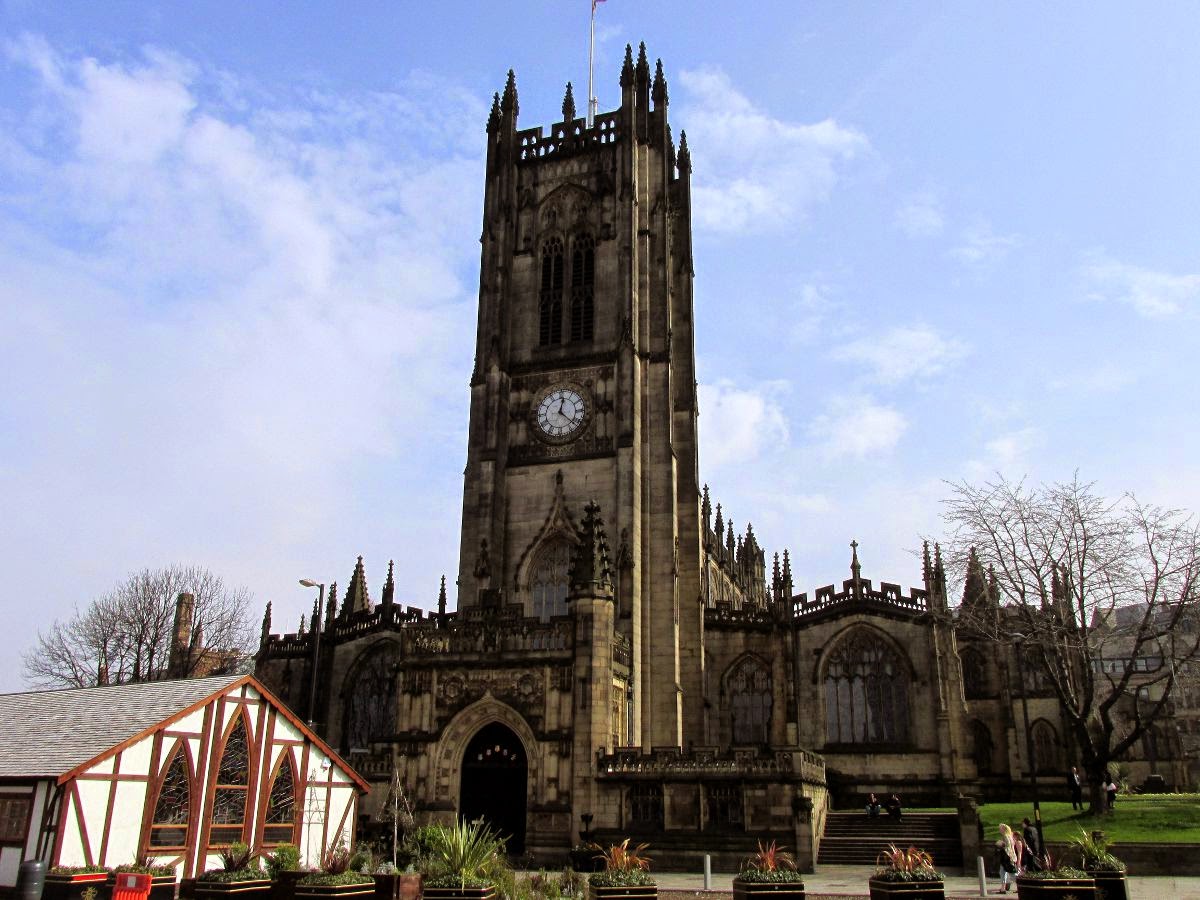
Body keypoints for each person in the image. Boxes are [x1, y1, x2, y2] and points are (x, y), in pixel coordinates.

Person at [994, 823, 1019, 893]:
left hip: (1007, 858)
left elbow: (1007, 846)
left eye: (1000, 828)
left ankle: (1020, 885)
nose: (999, 830)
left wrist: (1000, 844)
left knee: (1012, 874)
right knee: (1002, 872)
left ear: (1004, 829)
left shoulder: (1006, 836)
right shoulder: (1009, 836)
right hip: (1007, 858)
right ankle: (1003, 888)